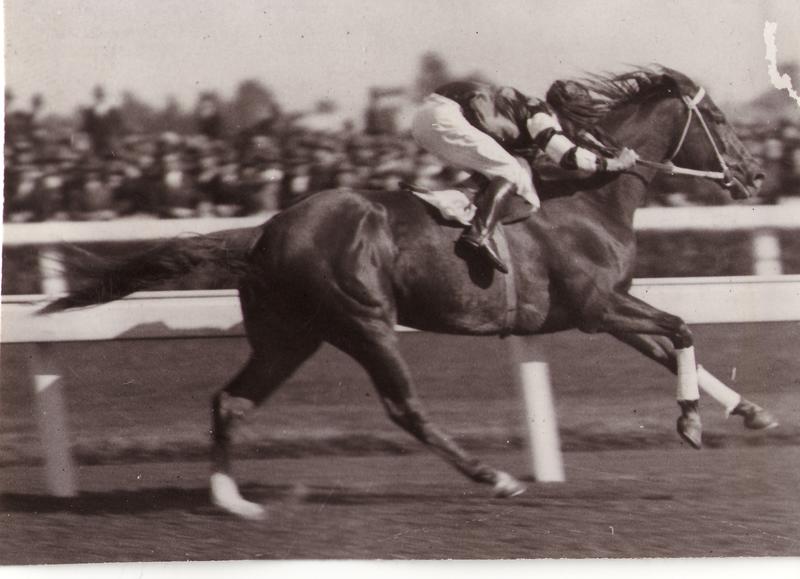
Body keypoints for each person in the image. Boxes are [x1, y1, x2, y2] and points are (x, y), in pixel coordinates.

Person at [411, 79, 638, 273]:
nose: (576, 130)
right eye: (578, 122)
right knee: (509, 171)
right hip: (442, 115)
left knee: (511, 170)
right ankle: (479, 235)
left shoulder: (527, 115)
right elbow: (566, 156)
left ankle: (446, 200)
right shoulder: (543, 115)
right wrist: (614, 164)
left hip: (429, 117)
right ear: (569, 113)